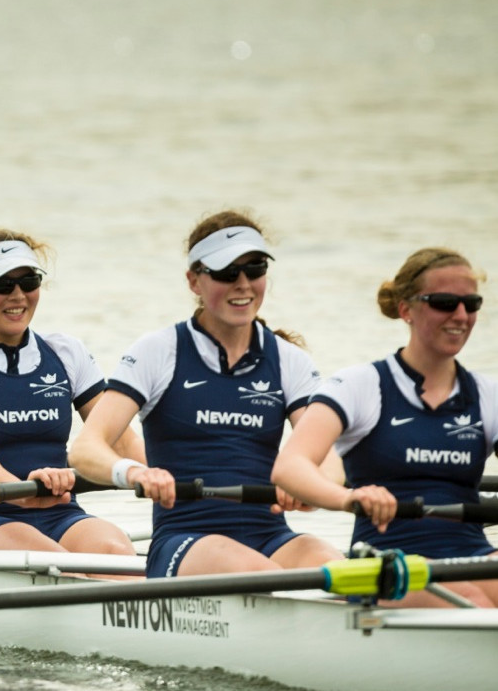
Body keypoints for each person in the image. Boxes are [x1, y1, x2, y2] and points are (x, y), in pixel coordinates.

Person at [68, 211, 342, 577]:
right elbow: (86, 449)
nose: (243, 284)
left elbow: (330, 458)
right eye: (227, 273)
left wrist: (314, 486)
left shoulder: (289, 360)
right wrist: (133, 473)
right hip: (185, 538)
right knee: (257, 571)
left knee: (339, 570)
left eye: (255, 269)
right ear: (194, 281)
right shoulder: (159, 351)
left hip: (271, 535)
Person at [274, 247, 497, 607]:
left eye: (471, 304)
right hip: (388, 564)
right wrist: (348, 498)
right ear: (406, 310)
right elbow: (289, 467)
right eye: (444, 302)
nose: (460, 315)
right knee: (472, 600)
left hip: (472, 552)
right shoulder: (361, 385)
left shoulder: (488, 395)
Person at [0, 229, 140, 556]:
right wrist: (21, 493)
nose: (18, 295)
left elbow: (120, 439)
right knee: (53, 560)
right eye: (2, 284)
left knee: (117, 550)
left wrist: (163, 476)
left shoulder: (65, 351)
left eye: (28, 281)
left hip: (60, 513)